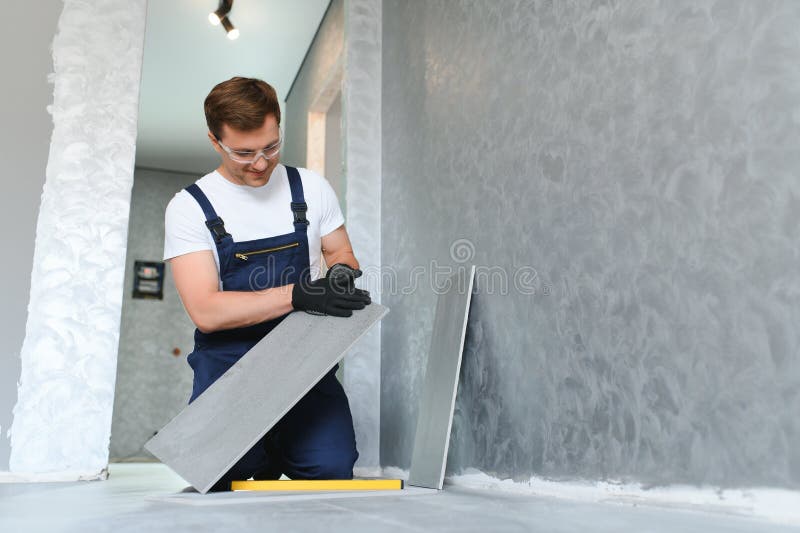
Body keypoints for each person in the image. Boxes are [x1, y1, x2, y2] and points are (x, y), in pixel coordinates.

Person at [163, 77, 371, 491]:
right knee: (220, 475)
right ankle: (256, 450)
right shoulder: (190, 207)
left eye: (271, 147)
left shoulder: (310, 188)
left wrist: (341, 275)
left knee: (332, 470)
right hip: (229, 365)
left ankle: (279, 446)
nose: (260, 163)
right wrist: (297, 294)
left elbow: (340, 253)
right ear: (214, 141)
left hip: (302, 357)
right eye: (243, 152)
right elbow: (205, 310)